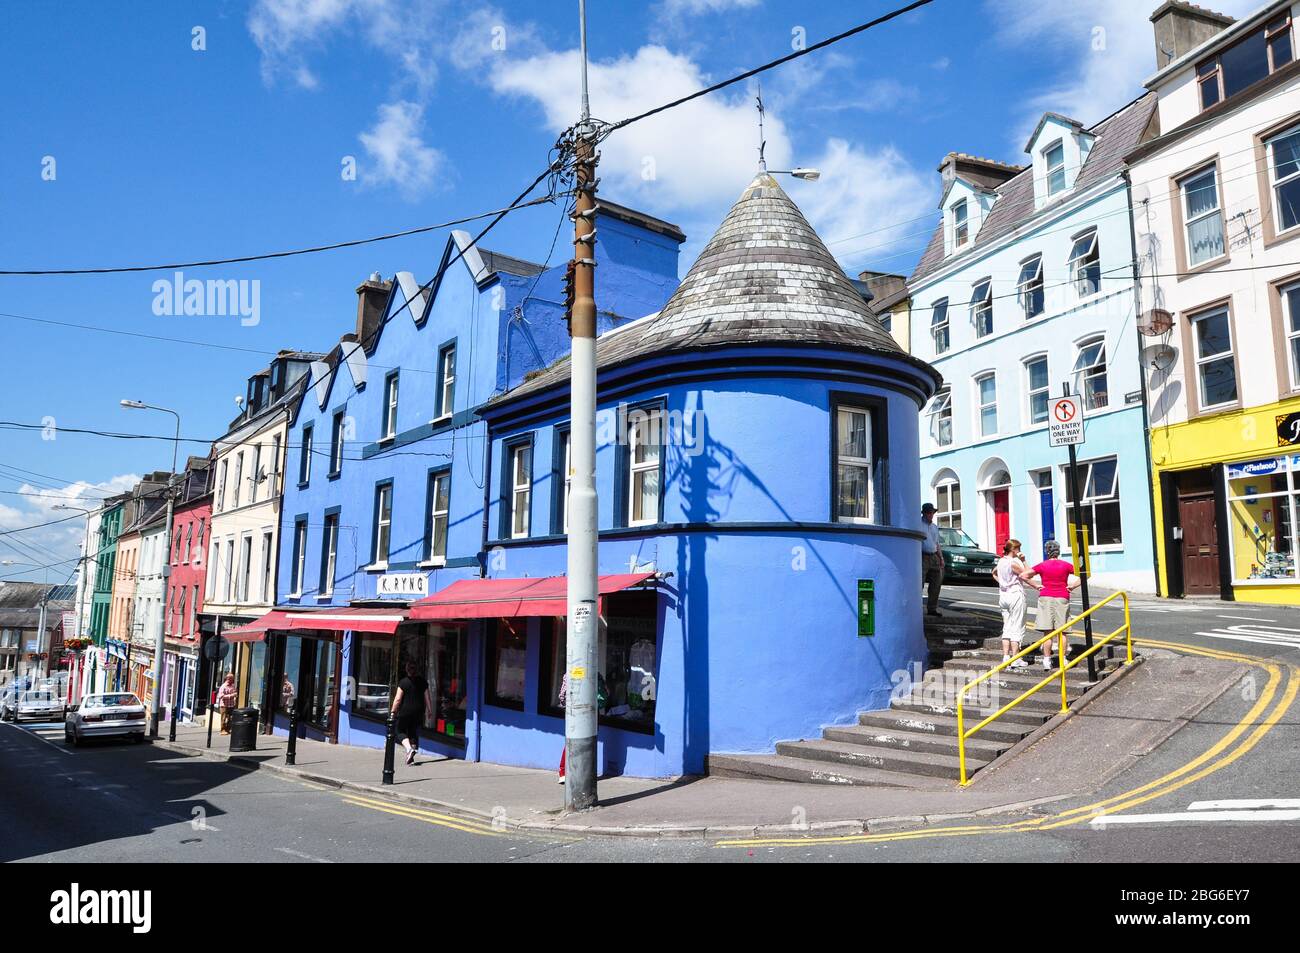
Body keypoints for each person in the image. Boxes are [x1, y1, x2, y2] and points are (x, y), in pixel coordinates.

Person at [1026, 539, 1081, 670]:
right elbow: (1085, 575)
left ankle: (1047, 660)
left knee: (1047, 632)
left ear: (1047, 552)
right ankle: (1062, 658)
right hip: (1062, 596)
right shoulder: (1066, 565)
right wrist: (1072, 586)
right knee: (1062, 632)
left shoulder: (1042, 565)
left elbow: (1024, 575)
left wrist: (1036, 585)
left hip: (1045, 597)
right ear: (1058, 551)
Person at [996, 538, 1040, 668]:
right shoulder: (1013, 563)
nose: (1020, 551)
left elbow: (994, 573)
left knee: (1007, 627)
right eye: (1019, 549)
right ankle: (1016, 658)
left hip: (1003, 596)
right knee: (1017, 627)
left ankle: (1006, 657)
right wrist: (1024, 560)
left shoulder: (1000, 562)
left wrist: (1002, 582)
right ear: (1014, 550)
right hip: (1015, 595)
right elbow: (1028, 575)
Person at [390, 661, 432, 766]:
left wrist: (393, 712)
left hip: (405, 711)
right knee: (413, 733)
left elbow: (398, 699)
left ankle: (409, 749)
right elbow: (427, 697)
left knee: (399, 730)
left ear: (407, 670)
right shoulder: (423, 682)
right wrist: (430, 710)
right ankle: (411, 758)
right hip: (418, 711)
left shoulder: (403, 682)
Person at [921, 502, 944, 616]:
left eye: (932, 512)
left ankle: (932, 608)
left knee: (937, 582)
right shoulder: (919, 524)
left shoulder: (934, 527)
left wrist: (941, 558)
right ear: (924, 513)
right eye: (929, 513)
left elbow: (937, 544)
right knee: (919, 583)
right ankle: (916, 607)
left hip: (934, 555)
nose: (931, 515)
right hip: (922, 556)